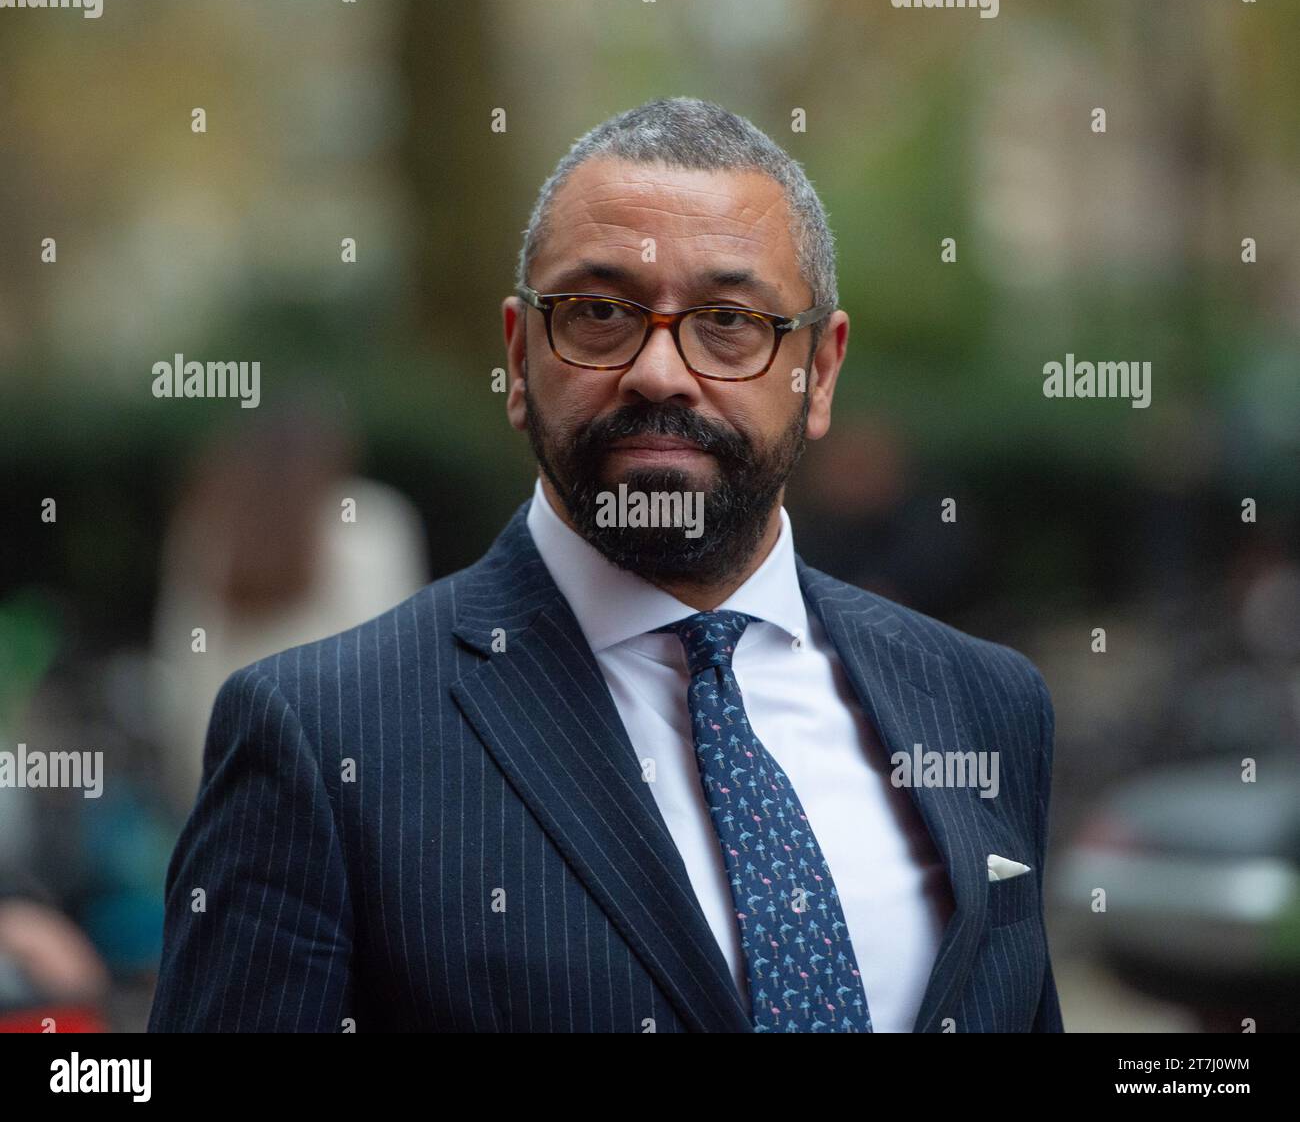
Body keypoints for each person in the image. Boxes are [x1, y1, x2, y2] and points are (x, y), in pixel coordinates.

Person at [148, 97, 1062, 1033]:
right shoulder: (320, 736)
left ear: (819, 372)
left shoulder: (985, 704)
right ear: (518, 354)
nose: (660, 370)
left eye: (730, 320)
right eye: (597, 312)